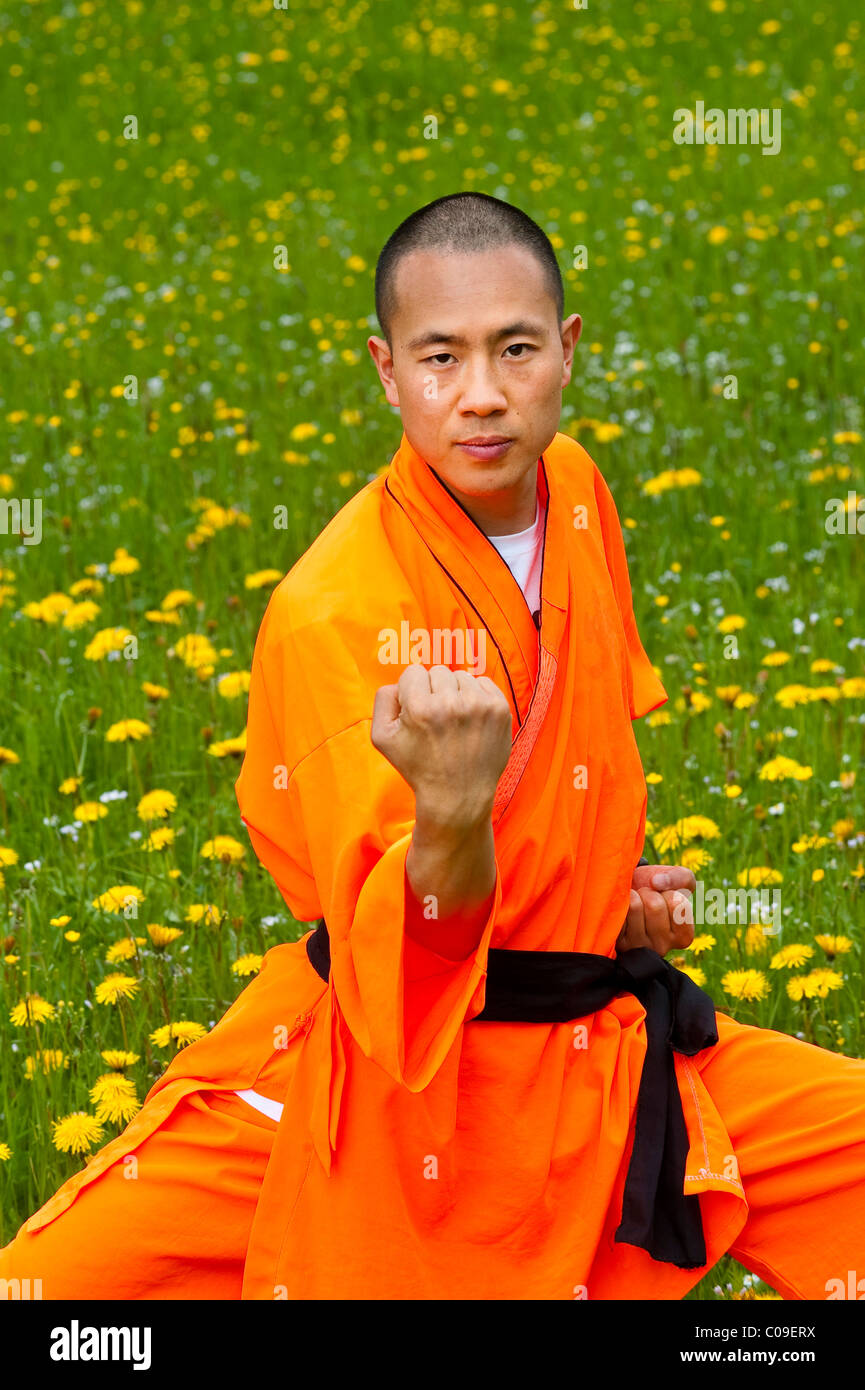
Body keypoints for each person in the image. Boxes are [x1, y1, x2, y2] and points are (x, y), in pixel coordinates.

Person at [2, 192, 864, 1302]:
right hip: (402, 1076)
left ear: (567, 351)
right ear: (386, 371)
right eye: (439, 357)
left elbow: (577, 763)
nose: (482, 396)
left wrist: (603, 890)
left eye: (513, 349)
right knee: (55, 1296)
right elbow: (399, 969)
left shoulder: (580, 497)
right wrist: (451, 814)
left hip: (598, 1038)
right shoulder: (335, 612)